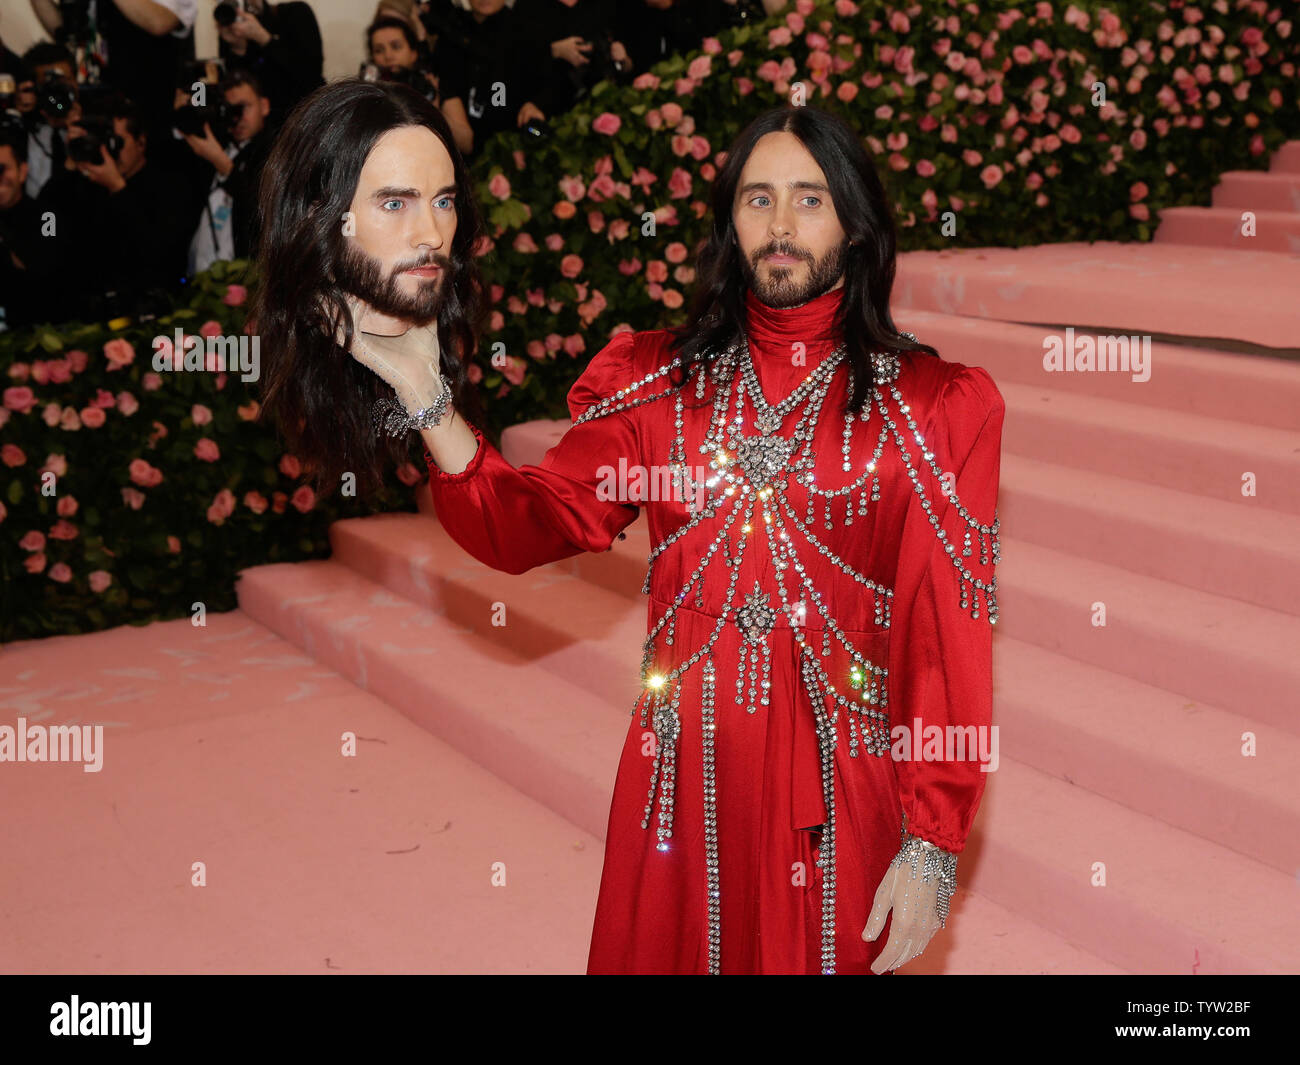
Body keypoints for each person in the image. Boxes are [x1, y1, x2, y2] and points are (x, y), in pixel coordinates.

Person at [256, 83, 1005, 974]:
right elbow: (525, 525)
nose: (781, 222)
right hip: (681, 786)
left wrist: (933, 836)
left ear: (857, 224)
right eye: (756, 198)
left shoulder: (935, 407)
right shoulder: (658, 383)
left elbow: (944, 636)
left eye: (812, 198)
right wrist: (426, 395)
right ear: (729, 224)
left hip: (845, 793)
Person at [182, 69, 276, 272]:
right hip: (202, 271)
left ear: (264, 106)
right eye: (230, 109)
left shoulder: (274, 150)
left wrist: (223, 164)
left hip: (246, 274)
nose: (238, 117)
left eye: (245, 107)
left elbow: (261, 209)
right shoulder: (217, 143)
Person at [216, 0, 324, 119]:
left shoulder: (295, 12)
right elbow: (236, 88)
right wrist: (238, 49)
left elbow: (311, 74)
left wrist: (263, 38)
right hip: (265, 124)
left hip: (305, 116)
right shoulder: (231, 25)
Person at [0, 128, 60, 330]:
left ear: (22, 171)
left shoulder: (46, 215)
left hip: (39, 327)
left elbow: (47, 270)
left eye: (2, 169)